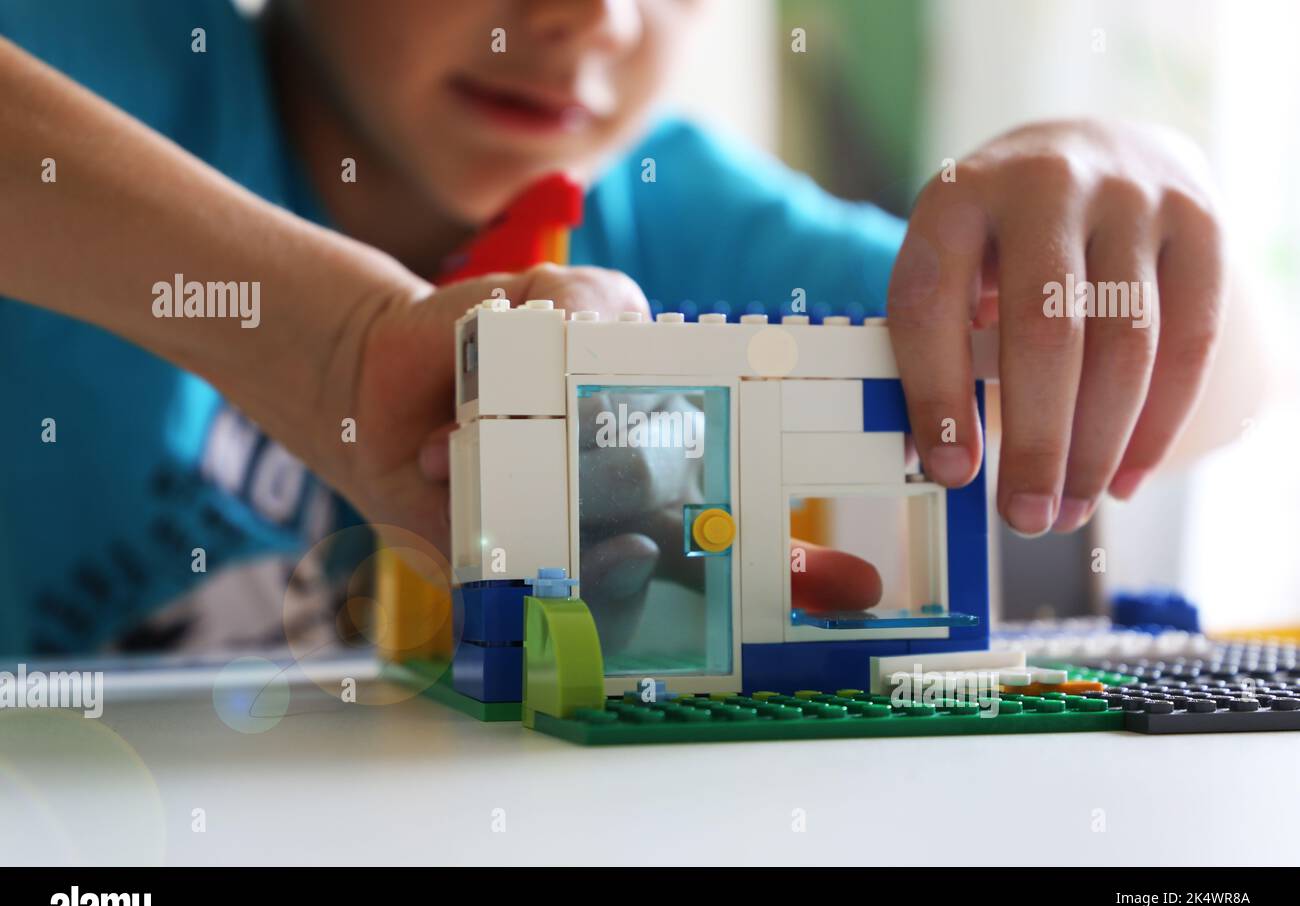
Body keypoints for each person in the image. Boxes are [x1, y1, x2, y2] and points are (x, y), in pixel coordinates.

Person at [0, 0, 1238, 656]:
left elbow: (1228, 384)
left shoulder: (676, 212)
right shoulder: (114, 62)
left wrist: (1140, 199)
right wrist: (334, 341)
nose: (590, 14)